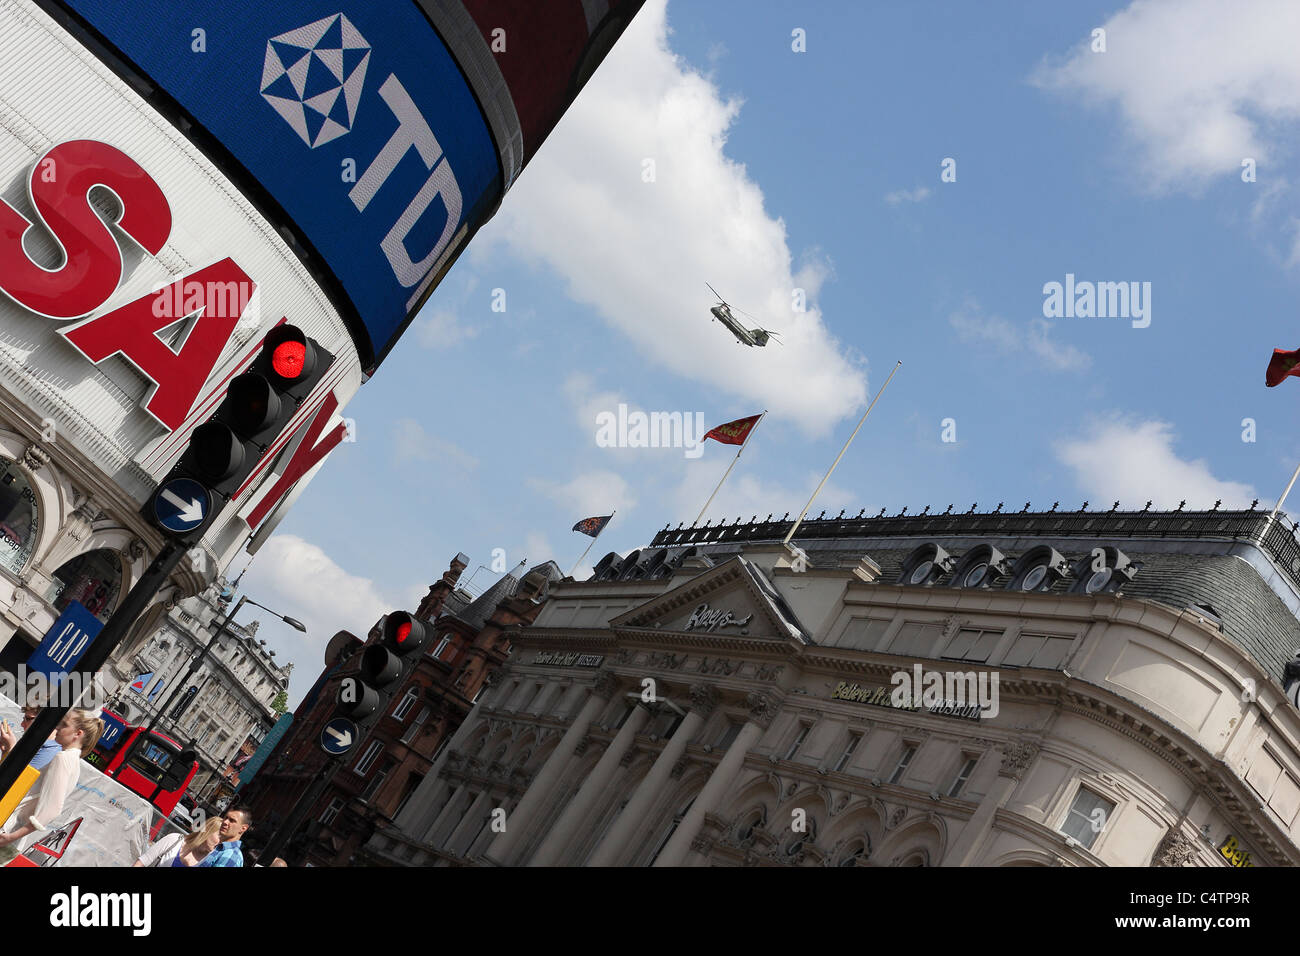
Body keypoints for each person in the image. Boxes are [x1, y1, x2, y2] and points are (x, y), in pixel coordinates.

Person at [0, 708, 103, 852]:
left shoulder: (63, 758)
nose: (58, 728)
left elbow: (52, 809)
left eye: (64, 724)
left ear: (78, 734)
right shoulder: (71, 759)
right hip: (11, 831)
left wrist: (11, 837)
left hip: (9, 829)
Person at [132, 817, 221, 867]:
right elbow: (141, 862)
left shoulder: (210, 862)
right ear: (208, 831)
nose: (222, 842)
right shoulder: (174, 840)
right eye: (220, 836)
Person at [0, 699, 62, 771]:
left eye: (28, 719)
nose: (22, 724)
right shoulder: (33, 742)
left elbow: (17, 776)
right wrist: (5, 751)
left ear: (46, 721)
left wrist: (11, 747)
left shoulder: (51, 750)